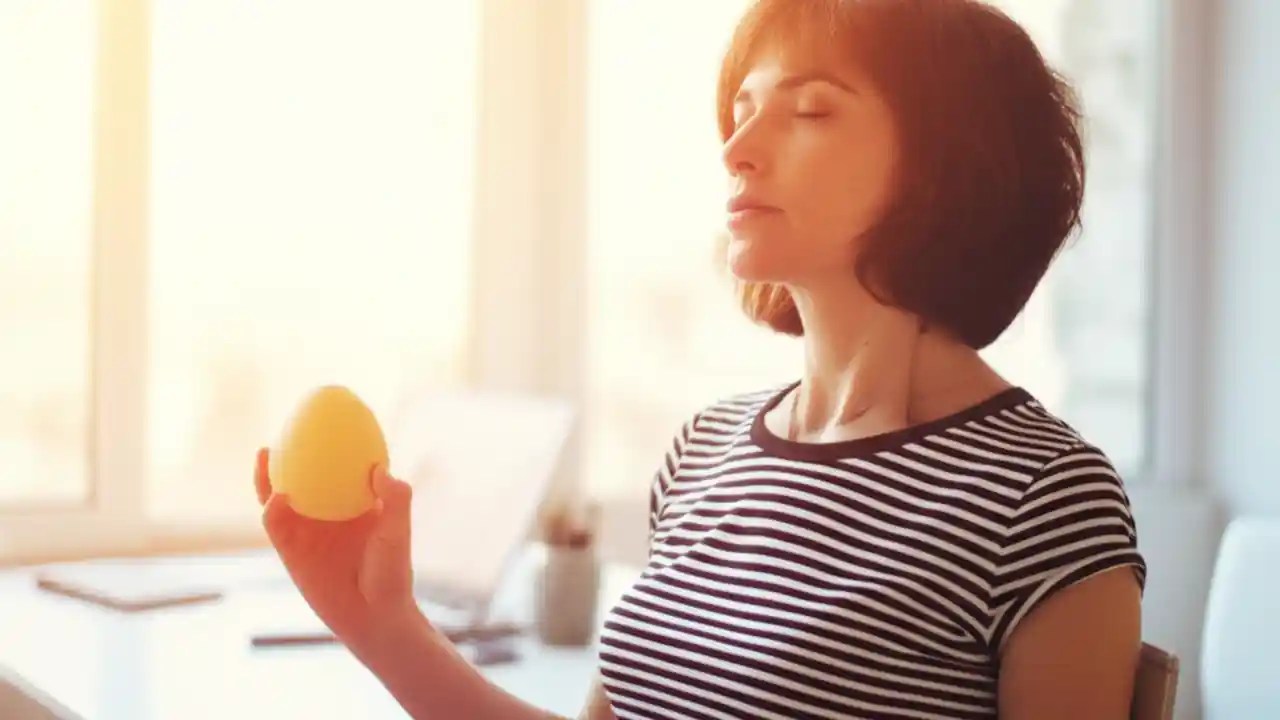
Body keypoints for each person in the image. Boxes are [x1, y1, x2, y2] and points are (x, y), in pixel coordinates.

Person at [255, 0, 1147, 717]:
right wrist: (381, 626)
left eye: (810, 110)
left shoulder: (1046, 498)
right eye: (742, 110)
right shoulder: (707, 450)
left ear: (947, 167)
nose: (736, 149)